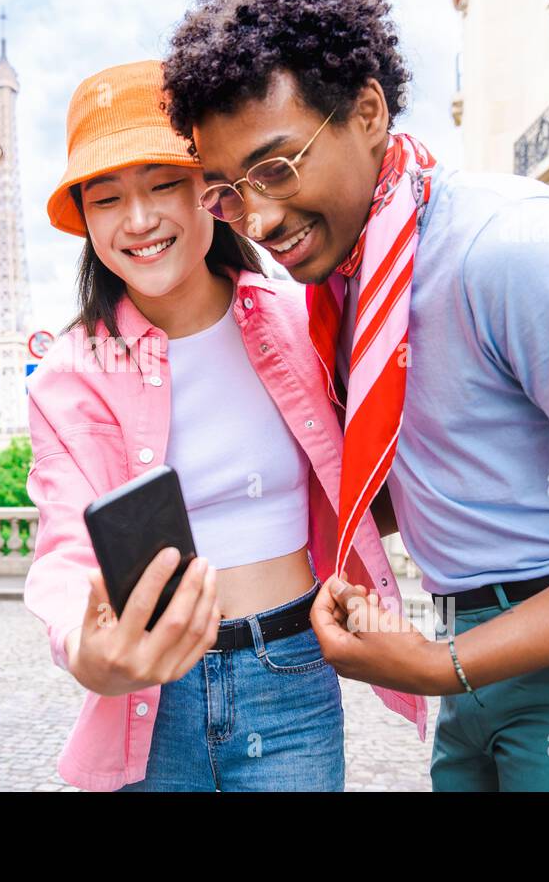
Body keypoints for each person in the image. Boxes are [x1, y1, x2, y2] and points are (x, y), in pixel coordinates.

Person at [162, 0, 549, 790]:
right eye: (226, 191)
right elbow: (439, 481)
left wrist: (448, 663)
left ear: (367, 110)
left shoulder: (510, 252)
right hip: (480, 673)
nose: (256, 217)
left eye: (278, 166)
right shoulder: (357, 288)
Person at [23, 59, 424, 793]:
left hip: (293, 666)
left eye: (164, 185)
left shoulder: (302, 316)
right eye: (107, 198)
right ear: (86, 221)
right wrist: (84, 645)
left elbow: (371, 468)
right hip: (156, 690)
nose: (139, 221)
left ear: (213, 192)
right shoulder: (68, 373)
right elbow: (62, 547)